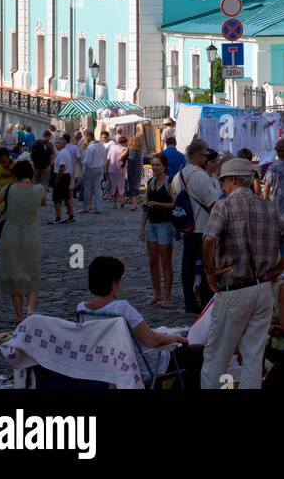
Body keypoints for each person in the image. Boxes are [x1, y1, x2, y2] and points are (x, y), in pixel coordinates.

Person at [201, 157, 284, 390]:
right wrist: (280, 267)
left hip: (235, 289)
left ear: (233, 180)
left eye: (224, 182)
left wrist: (209, 270)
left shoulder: (224, 206)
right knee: (252, 357)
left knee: (216, 358)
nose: (222, 187)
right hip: (262, 289)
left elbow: (208, 239)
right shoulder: (268, 206)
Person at [77, 257, 187, 387]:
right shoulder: (121, 308)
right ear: (114, 285)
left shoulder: (82, 309)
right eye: (119, 282)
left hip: (106, 368)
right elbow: (153, 341)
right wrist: (175, 338)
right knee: (196, 353)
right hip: (138, 367)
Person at [0, 160, 43, 324]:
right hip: (31, 235)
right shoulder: (38, 190)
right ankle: (30, 311)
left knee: (14, 273)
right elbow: (43, 199)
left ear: (15, 174)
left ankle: (19, 316)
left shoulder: (9, 189)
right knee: (32, 272)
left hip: (10, 235)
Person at [172, 138, 218, 314]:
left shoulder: (179, 175)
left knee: (188, 266)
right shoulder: (200, 176)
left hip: (188, 227)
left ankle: (189, 301)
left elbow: (174, 196)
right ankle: (206, 300)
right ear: (199, 155)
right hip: (204, 226)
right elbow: (212, 203)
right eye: (205, 155)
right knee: (207, 264)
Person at [140, 152, 176, 306]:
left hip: (165, 225)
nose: (154, 167)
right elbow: (146, 206)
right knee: (152, 262)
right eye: (153, 164)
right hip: (152, 224)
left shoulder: (170, 182)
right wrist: (142, 226)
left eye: (157, 165)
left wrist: (157, 204)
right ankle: (156, 294)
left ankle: (167, 296)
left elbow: (175, 204)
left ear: (164, 167)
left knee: (166, 263)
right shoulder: (151, 181)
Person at [80, 133, 107, 214]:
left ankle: (85, 208)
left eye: (85, 137)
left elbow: (87, 161)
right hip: (100, 168)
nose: (84, 139)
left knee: (87, 188)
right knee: (98, 189)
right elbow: (105, 157)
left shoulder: (90, 147)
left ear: (88, 137)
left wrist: (82, 161)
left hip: (91, 169)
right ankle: (98, 208)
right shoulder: (101, 145)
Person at [51, 138, 75, 224]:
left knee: (57, 198)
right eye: (56, 143)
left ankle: (58, 217)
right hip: (64, 176)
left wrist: (57, 179)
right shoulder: (62, 152)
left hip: (62, 177)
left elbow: (62, 167)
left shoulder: (63, 153)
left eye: (58, 143)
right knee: (66, 197)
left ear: (63, 144)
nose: (56, 145)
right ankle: (71, 216)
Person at [106, 133, 127, 207]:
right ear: (124, 142)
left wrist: (106, 168)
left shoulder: (112, 147)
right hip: (121, 170)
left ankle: (115, 204)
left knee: (113, 186)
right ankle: (121, 201)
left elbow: (108, 159)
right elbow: (126, 162)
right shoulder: (125, 149)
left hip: (112, 169)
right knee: (121, 186)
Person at [125, 133, 145, 210]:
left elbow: (131, 159)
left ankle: (134, 205)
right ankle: (135, 203)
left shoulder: (132, 150)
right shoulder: (141, 150)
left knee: (132, 187)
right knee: (137, 186)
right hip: (139, 170)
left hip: (133, 169)